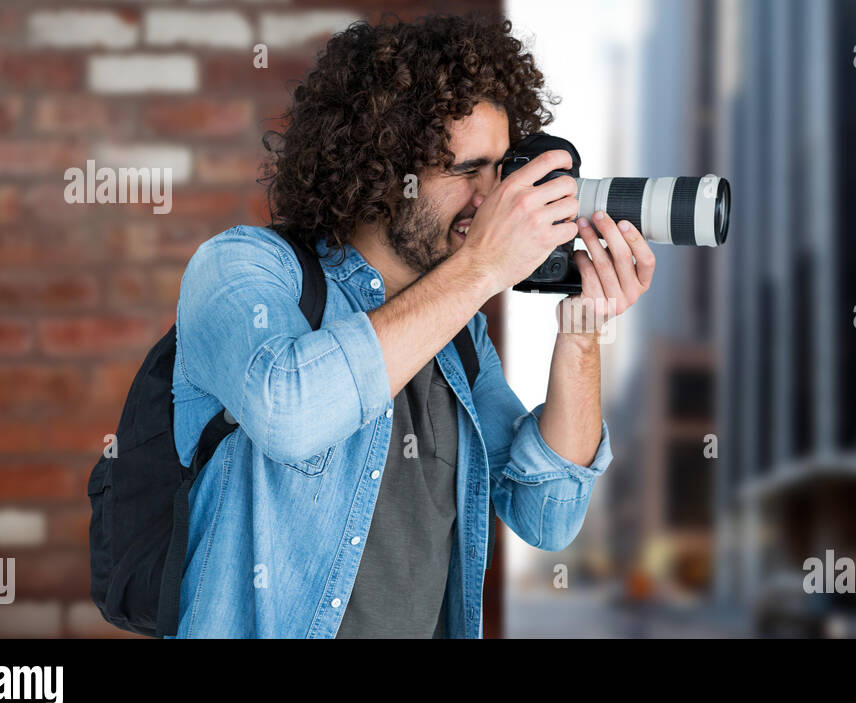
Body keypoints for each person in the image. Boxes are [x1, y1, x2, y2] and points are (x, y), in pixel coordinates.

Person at [170, 13, 655, 638]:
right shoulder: (244, 267)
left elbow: (546, 514)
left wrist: (583, 327)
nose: (491, 199)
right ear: (380, 168)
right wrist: (483, 267)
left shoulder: (461, 337)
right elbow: (290, 410)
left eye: (500, 171)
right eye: (466, 169)